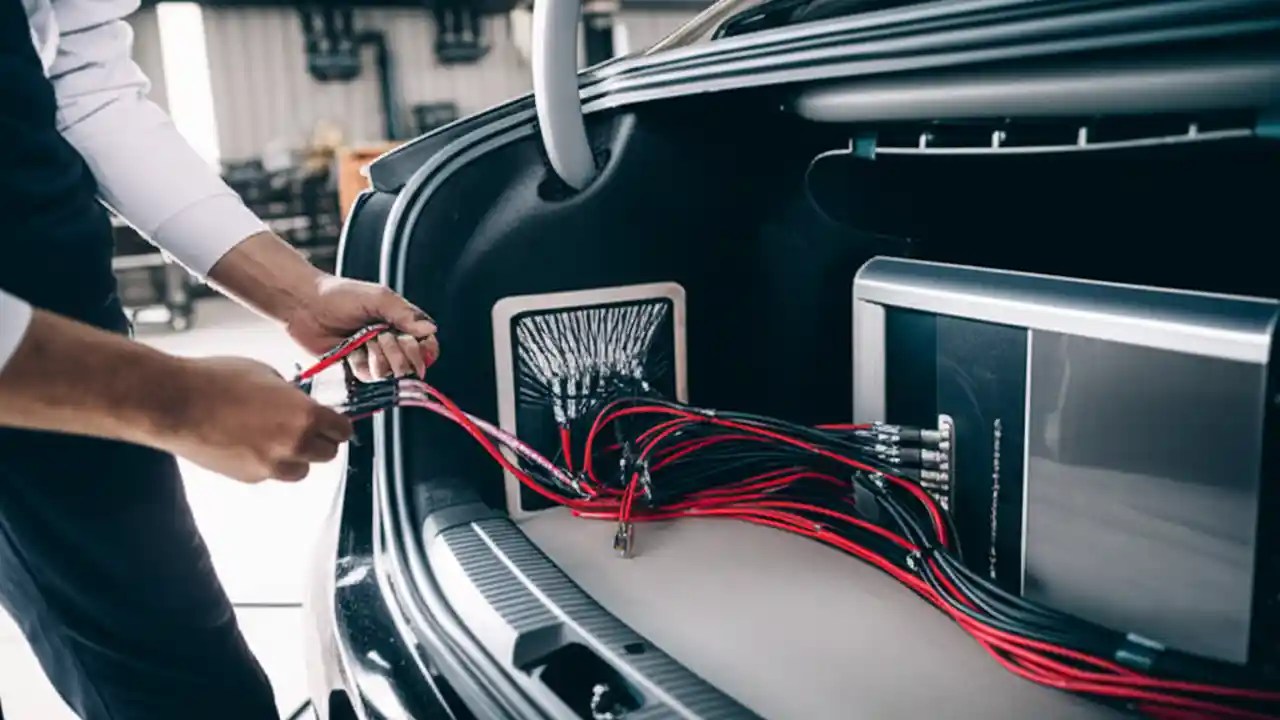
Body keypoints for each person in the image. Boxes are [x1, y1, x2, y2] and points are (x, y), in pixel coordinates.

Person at [0, 0, 440, 717]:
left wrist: (302, 294)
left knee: (185, 674)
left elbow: (83, 77)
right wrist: (174, 401)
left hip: (66, 307)